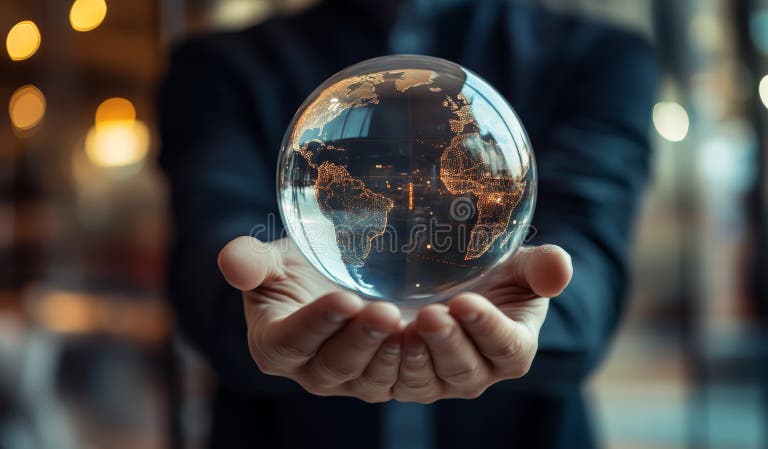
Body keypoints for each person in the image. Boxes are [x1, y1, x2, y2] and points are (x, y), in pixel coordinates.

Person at [158, 0, 657, 448]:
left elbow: (588, 256)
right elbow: (210, 246)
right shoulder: (217, 67)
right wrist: (251, 303)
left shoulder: (600, 57)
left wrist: (526, 314)